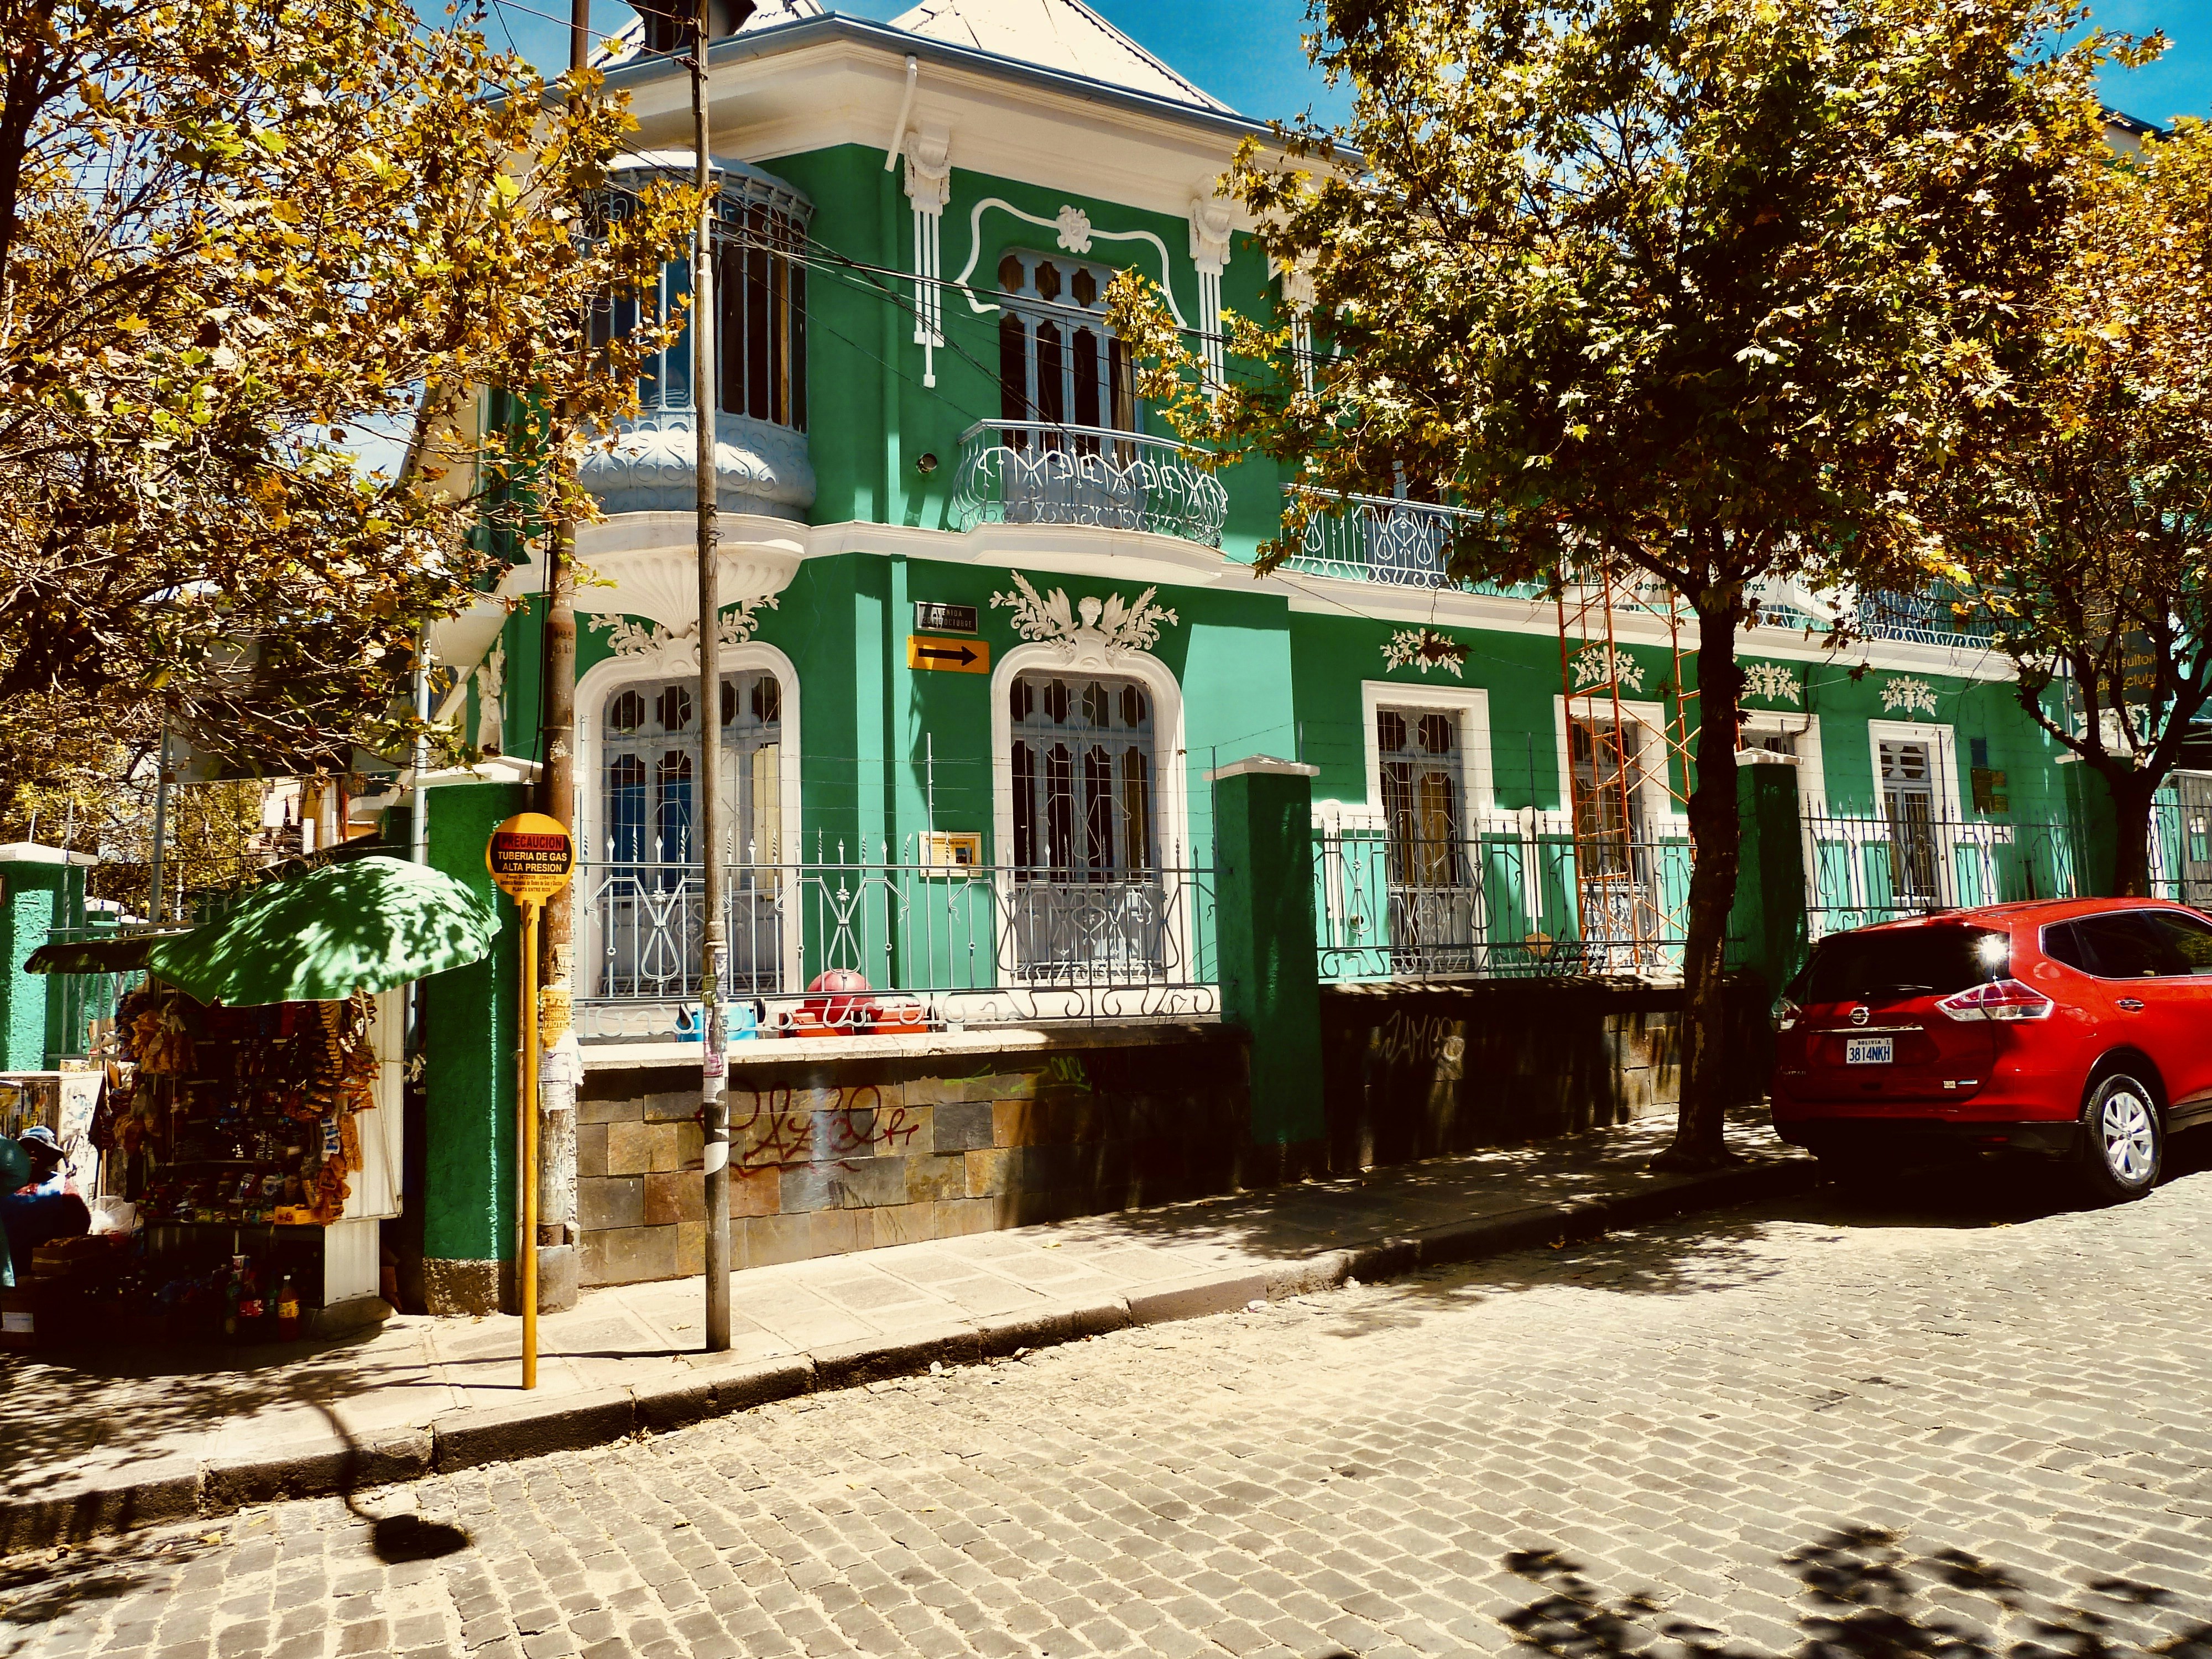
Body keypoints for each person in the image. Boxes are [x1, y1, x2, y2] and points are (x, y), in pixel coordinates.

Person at [2, 1126, 91, 1276]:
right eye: (27, 1148)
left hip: (47, 1272)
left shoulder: (61, 1185)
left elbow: (80, 1224)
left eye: (40, 1149)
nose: (33, 1154)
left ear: (48, 1156)